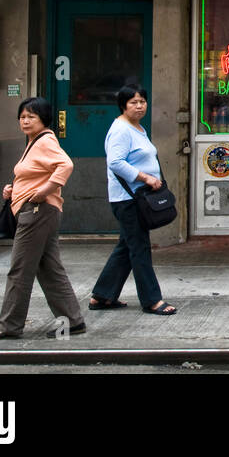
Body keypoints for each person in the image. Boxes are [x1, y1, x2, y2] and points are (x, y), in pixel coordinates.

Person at [0, 98, 85, 340]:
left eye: (31, 117)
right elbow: (34, 173)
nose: (25, 121)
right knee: (50, 270)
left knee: (20, 270)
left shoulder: (44, 141)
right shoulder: (34, 142)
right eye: (22, 117)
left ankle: (9, 325)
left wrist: (43, 191)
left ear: (43, 119)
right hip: (40, 213)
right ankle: (73, 321)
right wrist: (14, 190)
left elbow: (65, 165)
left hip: (37, 213)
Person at [89, 85, 177, 315]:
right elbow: (115, 162)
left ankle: (103, 295)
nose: (139, 106)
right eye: (133, 102)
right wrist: (145, 177)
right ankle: (152, 300)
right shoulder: (121, 130)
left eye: (142, 102)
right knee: (139, 248)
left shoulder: (136, 127)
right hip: (128, 199)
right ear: (122, 105)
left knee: (127, 246)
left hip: (137, 197)